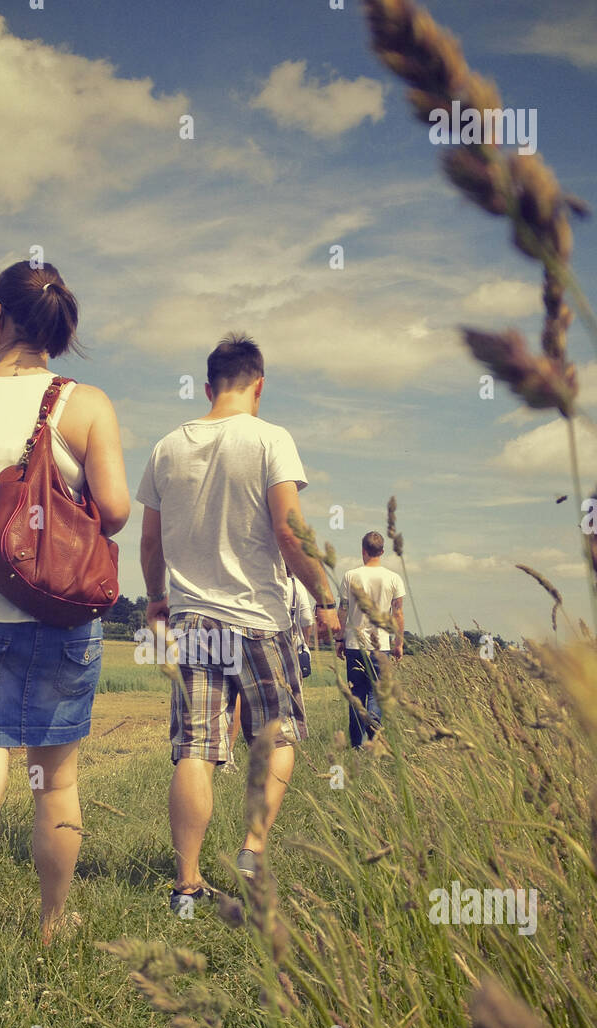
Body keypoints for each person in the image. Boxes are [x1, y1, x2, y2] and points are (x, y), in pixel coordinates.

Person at [0, 260, 129, 1003]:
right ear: (58, 330)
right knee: (54, 782)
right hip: (61, 619)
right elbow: (113, 510)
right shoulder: (87, 403)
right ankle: (51, 924)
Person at [137, 334, 339, 911]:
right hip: (258, 618)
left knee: (194, 749)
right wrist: (323, 597)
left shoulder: (167, 447)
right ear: (260, 385)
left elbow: (149, 541)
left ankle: (186, 886)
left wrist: (156, 597)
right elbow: (288, 529)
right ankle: (252, 848)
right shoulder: (270, 438)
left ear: (207, 387)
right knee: (277, 734)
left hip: (194, 618)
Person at [223, 570, 314, 773]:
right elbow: (307, 621)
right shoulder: (296, 586)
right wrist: (303, 642)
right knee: (279, 709)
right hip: (282, 647)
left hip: (239, 637)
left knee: (239, 697)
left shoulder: (256, 575)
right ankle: (272, 755)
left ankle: (229, 751)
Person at [336, 531, 405, 749]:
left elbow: (343, 609)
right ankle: (373, 737)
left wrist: (340, 638)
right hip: (381, 646)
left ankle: (357, 746)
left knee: (356, 694)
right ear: (382, 551)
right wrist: (398, 643)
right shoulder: (394, 578)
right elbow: (398, 613)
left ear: (363, 550)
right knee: (377, 694)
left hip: (355, 644)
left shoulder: (350, 576)